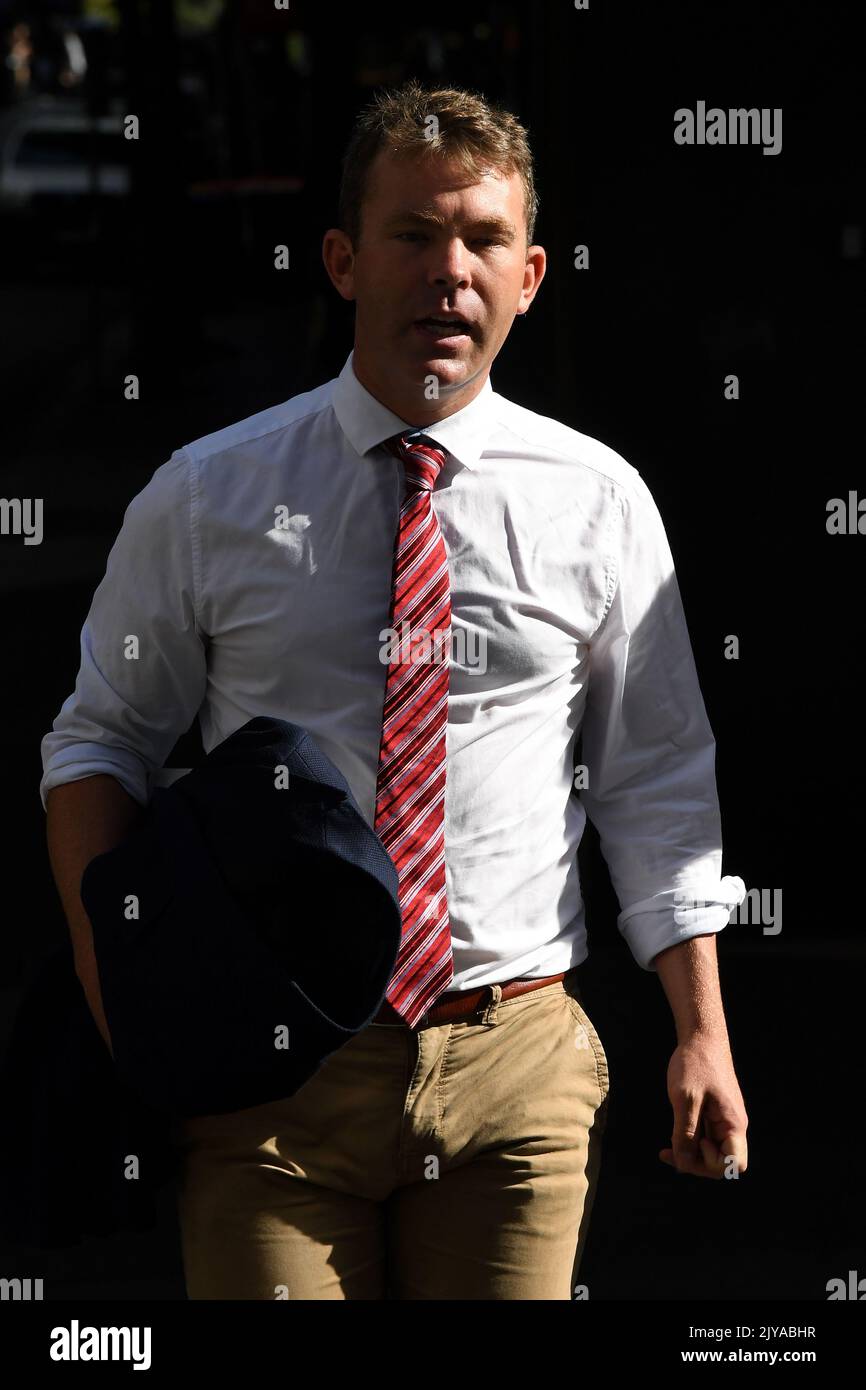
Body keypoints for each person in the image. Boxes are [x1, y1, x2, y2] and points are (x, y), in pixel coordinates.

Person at [41, 78, 749, 1301]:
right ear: (341, 260)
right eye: (412, 236)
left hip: (515, 1065)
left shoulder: (595, 502)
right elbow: (94, 746)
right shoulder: (210, 497)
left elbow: (653, 780)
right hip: (275, 1078)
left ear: (528, 276)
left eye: (480, 240)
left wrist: (701, 1030)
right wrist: (131, 1010)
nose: (448, 272)